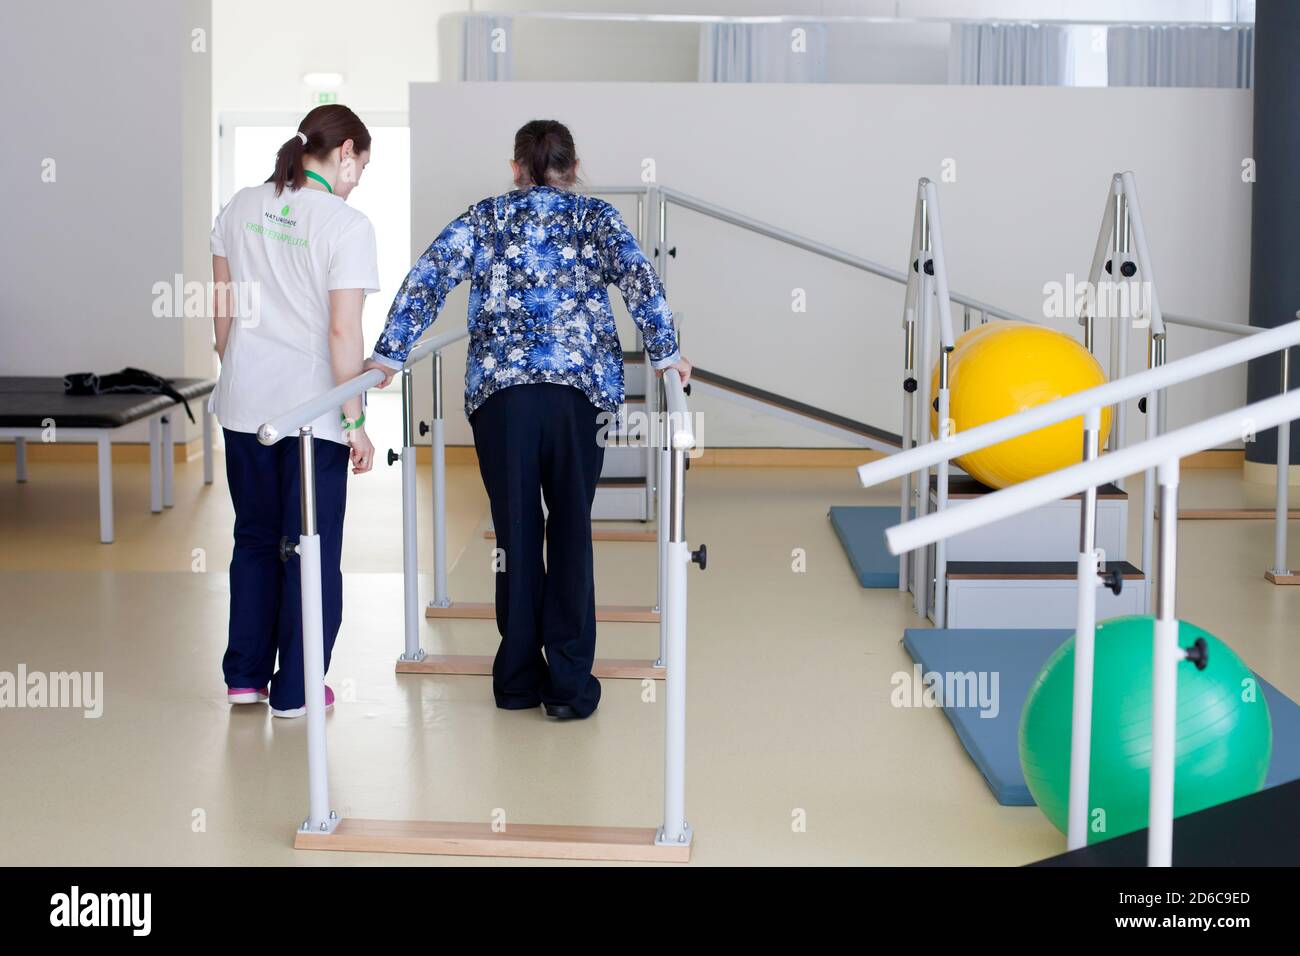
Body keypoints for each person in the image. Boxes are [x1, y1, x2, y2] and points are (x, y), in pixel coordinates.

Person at [365, 119, 690, 720]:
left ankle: (516, 679)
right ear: (573, 165)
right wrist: (668, 355)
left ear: (516, 167)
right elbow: (642, 283)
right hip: (578, 396)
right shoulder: (595, 219)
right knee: (570, 530)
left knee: (514, 537)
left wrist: (389, 354)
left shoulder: (486, 218)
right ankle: (568, 686)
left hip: (503, 398)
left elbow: (428, 276)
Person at [210, 104, 380, 718]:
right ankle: (298, 689)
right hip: (312, 417)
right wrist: (357, 425)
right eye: (360, 164)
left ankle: (246, 678)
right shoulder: (346, 224)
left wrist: (243, 374)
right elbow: (343, 338)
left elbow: (222, 321)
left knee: (254, 539)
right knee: (308, 546)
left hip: (242, 409)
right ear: (345, 151)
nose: (358, 178)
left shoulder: (240, 206)